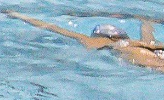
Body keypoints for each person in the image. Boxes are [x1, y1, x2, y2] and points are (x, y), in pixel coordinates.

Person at [8, 12, 164, 73]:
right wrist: (145, 20)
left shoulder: (99, 42)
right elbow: (147, 30)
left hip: (142, 59)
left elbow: (54, 28)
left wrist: (20, 16)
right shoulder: (139, 43)